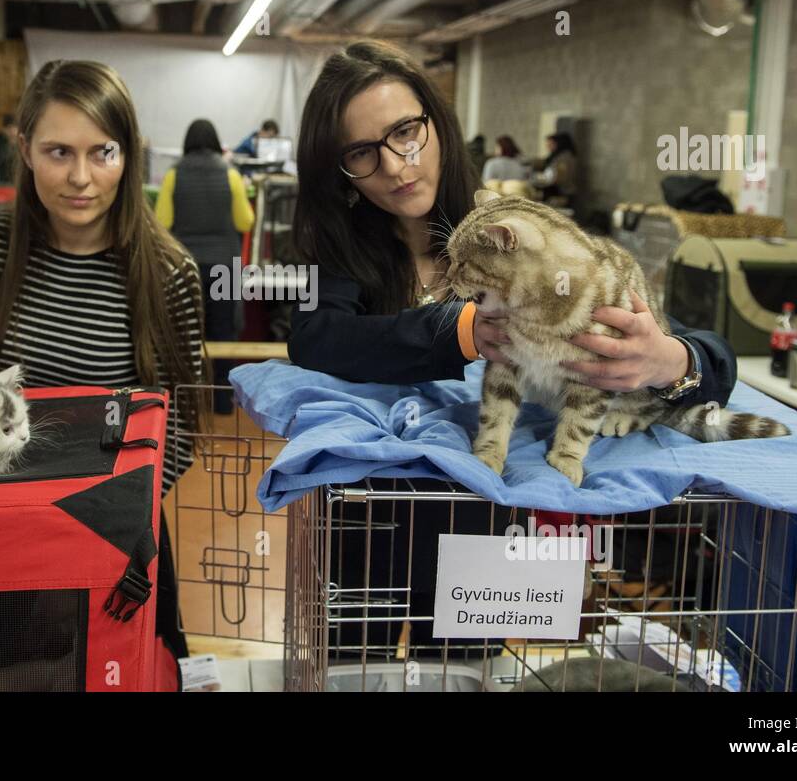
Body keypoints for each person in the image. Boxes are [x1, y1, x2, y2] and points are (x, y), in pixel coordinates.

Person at [286, 39, 738, 654]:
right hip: (368, 525)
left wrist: (668, 360)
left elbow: (709, 359)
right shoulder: (340, 249)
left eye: (406, 133)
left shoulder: (520, 239)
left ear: (435, 123)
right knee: (345, 662)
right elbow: (315, 338)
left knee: (462, 666)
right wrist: (461, 333)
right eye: (363, 153)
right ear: (337, 166)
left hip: (484, 536)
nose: (395, 165)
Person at [0, 59, 203, 662]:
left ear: (128, 155)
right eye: (58, 152)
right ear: (25, 148)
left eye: (102, 153)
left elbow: (180, 432)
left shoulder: (169, 273)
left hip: (113, 540)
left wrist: (93, 525)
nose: (80, 177)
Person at [156, 118, 255, 414]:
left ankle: (186, 402)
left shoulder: (174, 174)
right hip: (223, 265)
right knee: (222, 332)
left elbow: (161, 222)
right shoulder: (230, 173)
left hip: (185, 267)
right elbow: (245, 221)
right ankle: (222, 402)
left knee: (185, 333)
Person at [535, 131, 580, 205]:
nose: (548, 146)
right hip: (559, 191)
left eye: (551, 144)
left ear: (559, 143)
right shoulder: (558, 156)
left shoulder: (565, 157)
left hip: (563, 192)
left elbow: (558, 176)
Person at [0, 113, 19, 185]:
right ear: (4, 129)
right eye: (9, 128)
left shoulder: (23, 144)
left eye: (15, 127)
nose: (12, 131)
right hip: (1, 184)